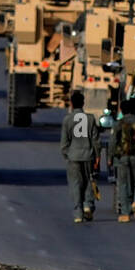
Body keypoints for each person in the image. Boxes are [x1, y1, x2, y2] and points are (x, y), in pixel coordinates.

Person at [60, 90, 97, 223]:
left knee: (75, 184)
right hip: (88, 155)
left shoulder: (67, 120)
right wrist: (96, 157)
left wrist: (67, 155)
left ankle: (78, 213)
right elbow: (95, 141)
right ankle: (88, 205)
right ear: (83, 103)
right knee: (88, 181)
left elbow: (64, 143)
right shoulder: (91, 118)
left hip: (73, 156)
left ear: (71, 103)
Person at [111, 93, 135, 222]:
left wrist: (111, 156)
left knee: (123, 184)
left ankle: (125, 213)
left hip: (122, 158)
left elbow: (113, 141)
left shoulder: (119, 123)